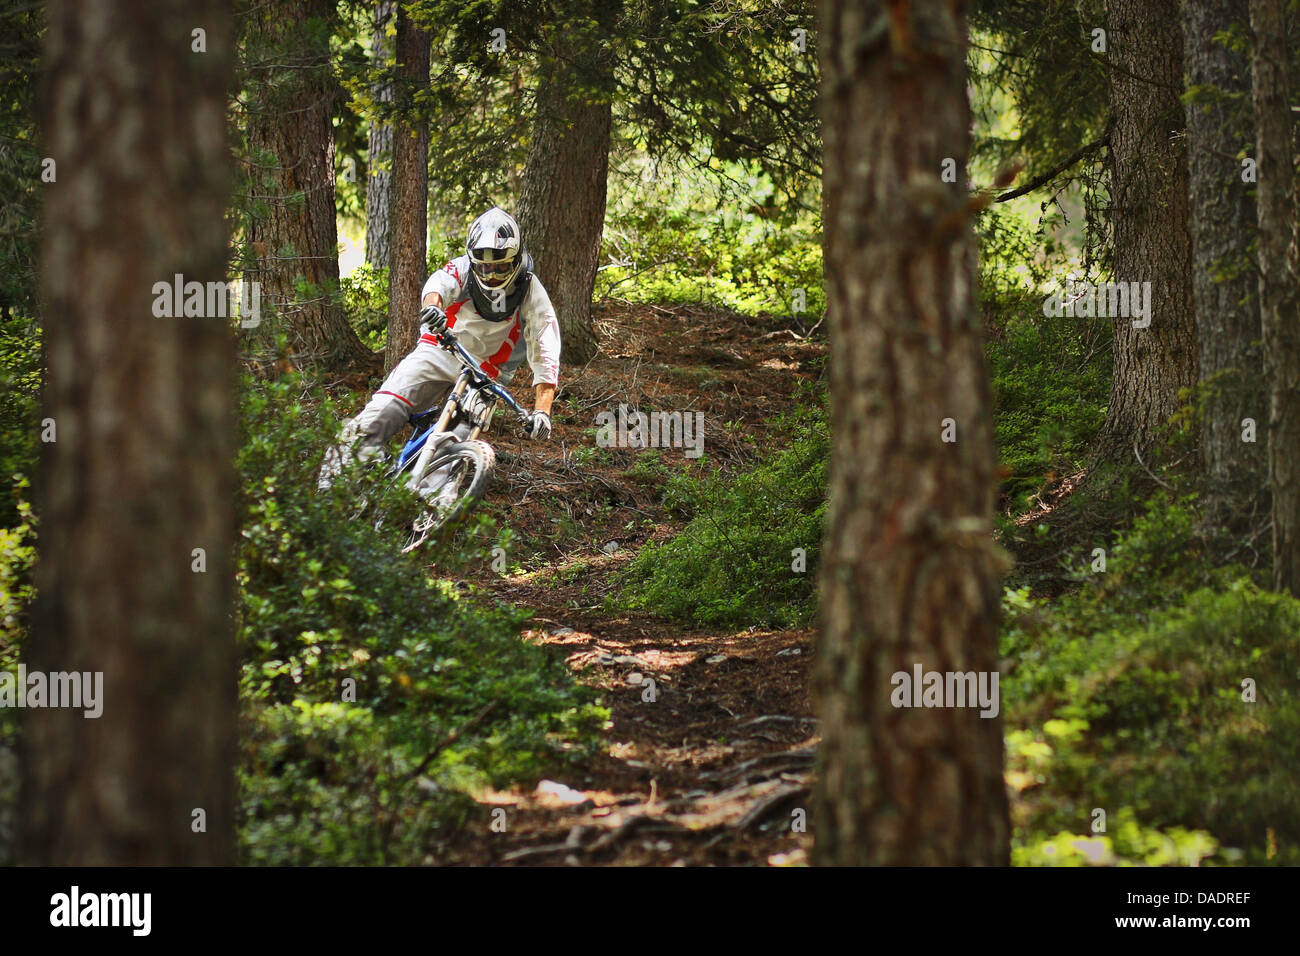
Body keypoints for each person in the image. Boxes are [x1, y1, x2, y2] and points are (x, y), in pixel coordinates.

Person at [320, 207, 560, 488]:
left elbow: (546, 347)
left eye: (500, 267)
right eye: (484, 268)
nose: (492, 276)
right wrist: (433, 308)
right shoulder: (462, 268)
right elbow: (439, 284)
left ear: (516, 259)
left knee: (455, 441)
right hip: (442, 346)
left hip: (486, 372)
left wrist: (542, 410)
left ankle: (427, 508)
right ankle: (333, 483)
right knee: (385, 407)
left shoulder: (531, 289)